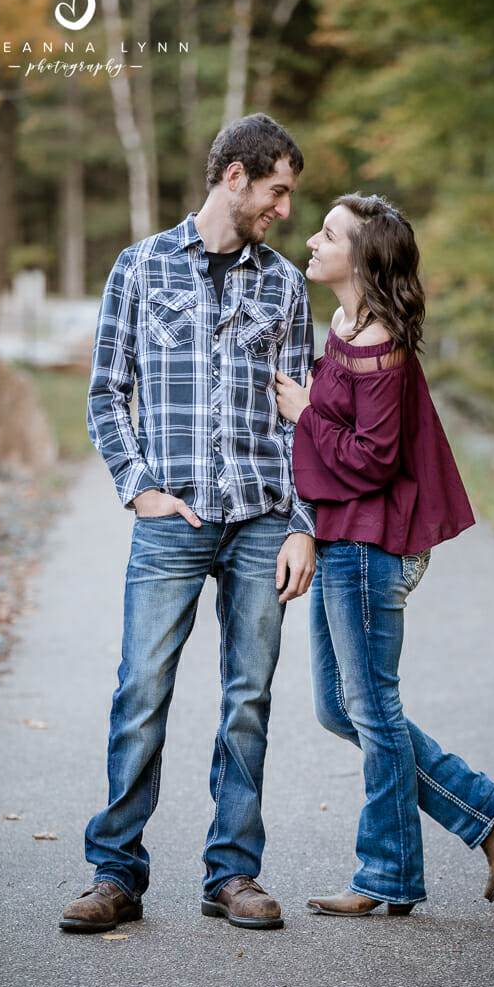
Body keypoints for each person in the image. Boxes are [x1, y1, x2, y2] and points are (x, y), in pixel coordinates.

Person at [59, 114, 316, 934]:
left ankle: (232, 875)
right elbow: (105, 394)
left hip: (263, 519)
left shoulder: (285, 285)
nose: (284, 208)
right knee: (142, 691)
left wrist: (304, 524)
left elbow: (308, 418)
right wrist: (138, 488)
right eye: (277, 189)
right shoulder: (138, 268)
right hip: (171, 516)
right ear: (235, 176)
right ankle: (115, 873)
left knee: (249, 698)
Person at [275, 193, 494, 916]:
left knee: (373, 710)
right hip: (342, 537)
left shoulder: (377, 343)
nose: (313, 241)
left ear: (358, 258)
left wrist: (306, 414)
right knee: (338, 707)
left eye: (328, 234)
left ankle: (386, 874)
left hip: (367, 542)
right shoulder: (347, 324)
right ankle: (482, 806)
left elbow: (374, 457)